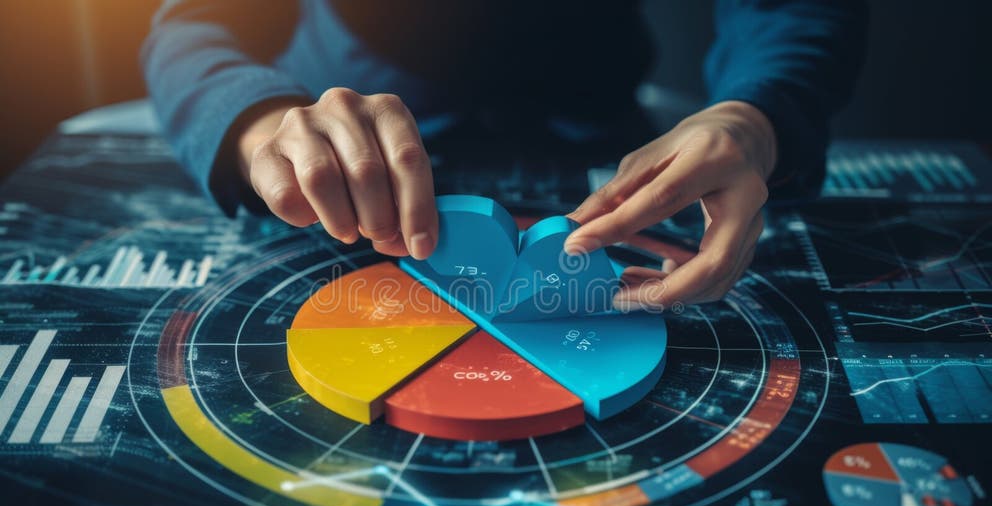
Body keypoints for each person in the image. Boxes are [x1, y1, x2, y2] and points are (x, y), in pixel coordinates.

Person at [142, 0, 867, 310]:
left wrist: (757, 115)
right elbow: (193, 21)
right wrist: (254, 118)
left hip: (613, 138)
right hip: (337, 137)